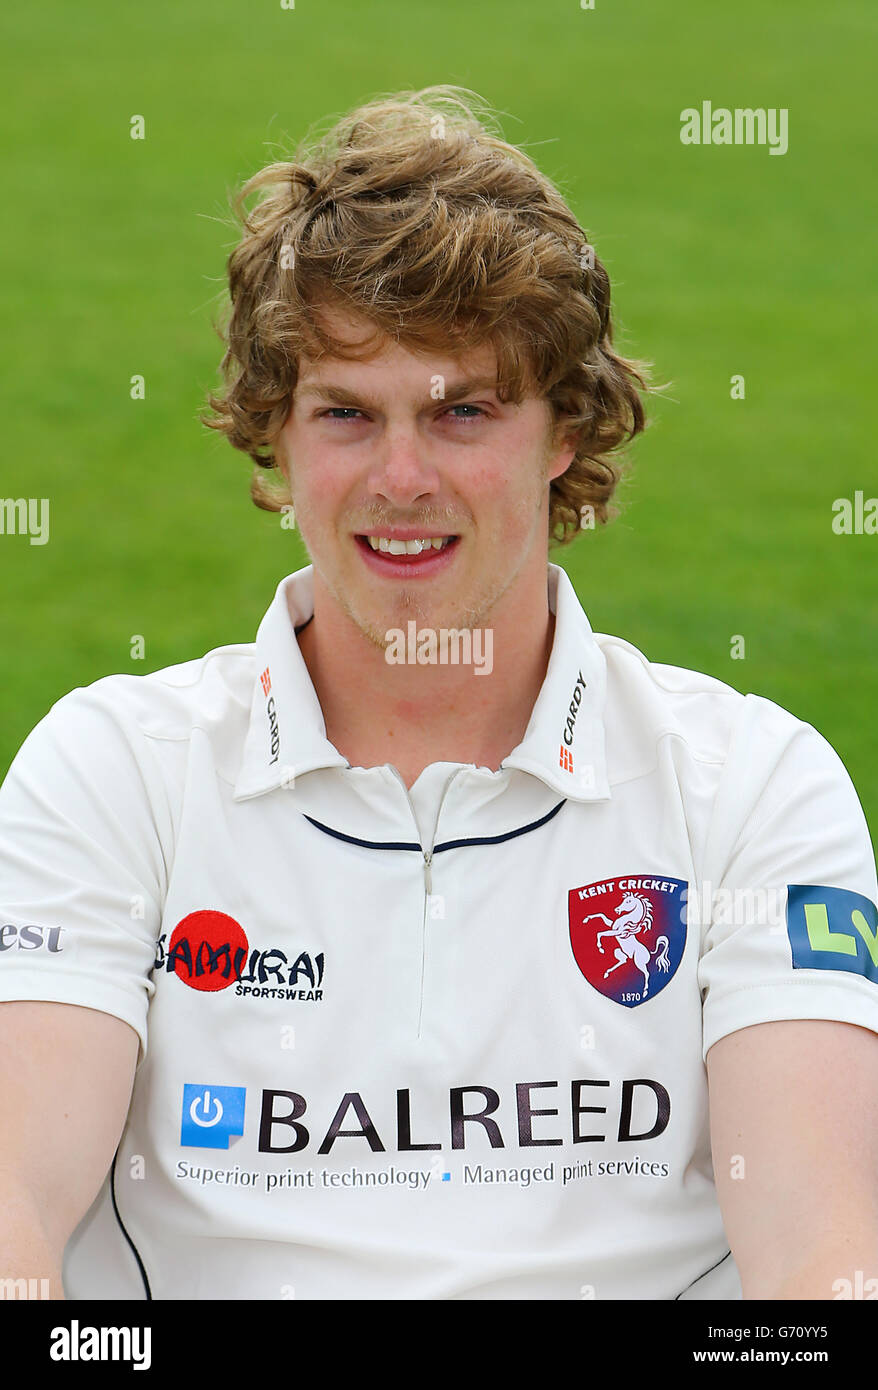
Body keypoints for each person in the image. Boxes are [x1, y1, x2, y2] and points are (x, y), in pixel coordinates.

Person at [1, 85, 876, 1303]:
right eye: (346, 414)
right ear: (278, 436)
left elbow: (819, 1267)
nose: (400, 478)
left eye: (462, 410)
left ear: (562, 429)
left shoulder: (750, 782)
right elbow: (13, 1214)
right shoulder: (113, 768)